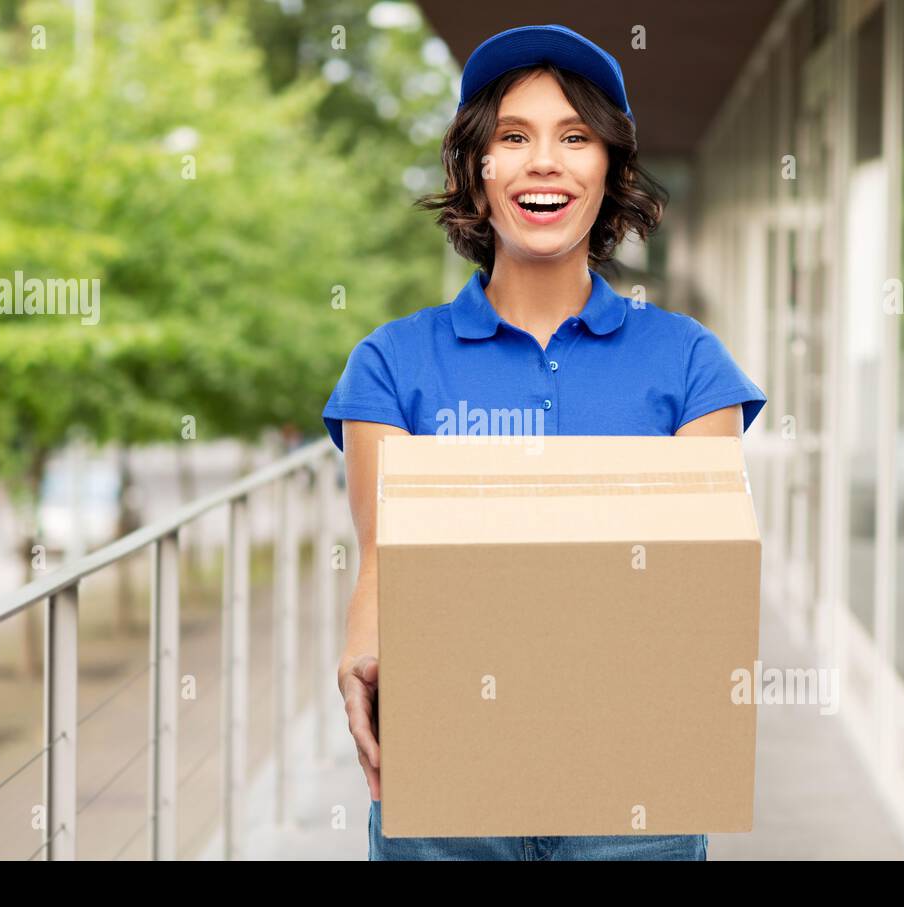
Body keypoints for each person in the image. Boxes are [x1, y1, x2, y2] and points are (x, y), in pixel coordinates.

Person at [321, 23, 766, 860]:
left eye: (576, 137)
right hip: (449, 777)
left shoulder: (689, 362)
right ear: (474, 171)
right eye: (512, 138)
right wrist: (361, 645)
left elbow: (694, 581)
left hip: (636, 785)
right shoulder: (391, 362)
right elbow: (383, 556)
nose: (544, 162)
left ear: (610, 172)